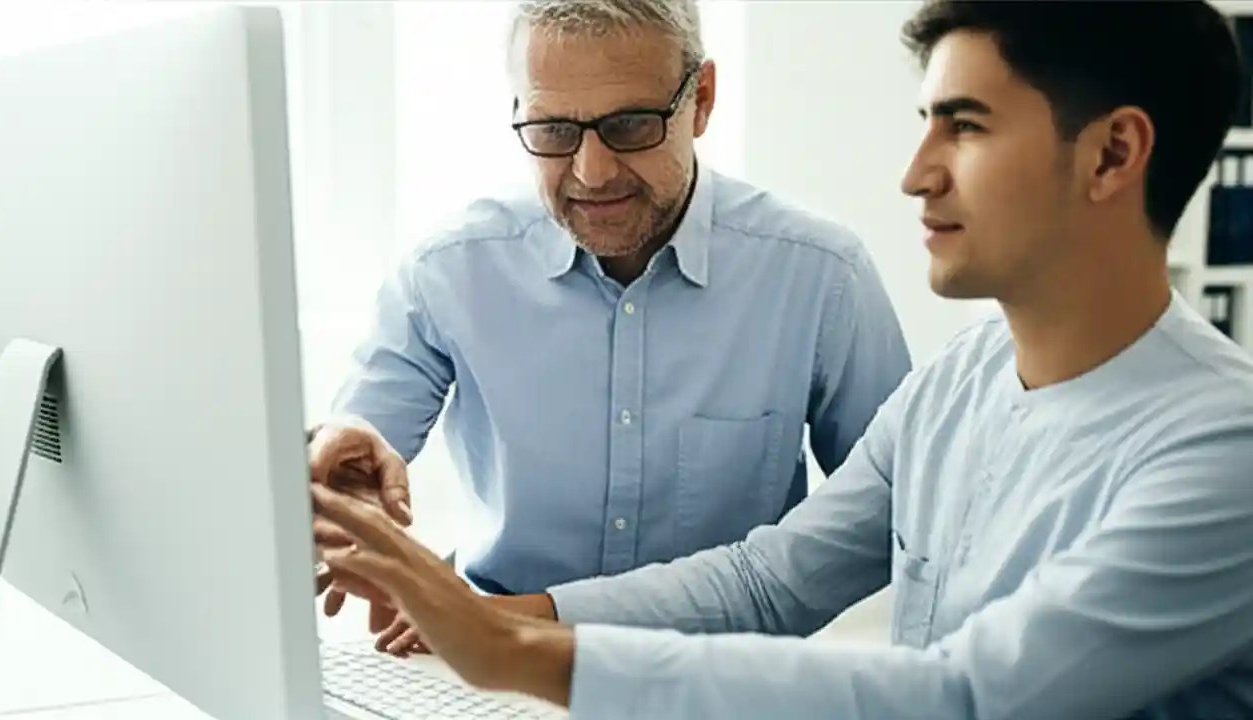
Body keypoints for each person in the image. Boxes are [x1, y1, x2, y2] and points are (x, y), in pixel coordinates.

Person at [309, 1, 1253, 717]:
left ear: (1112, 154)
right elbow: (772, 577)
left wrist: (513, 646)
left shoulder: (1224, 452)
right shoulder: (960, 383)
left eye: (963, 126)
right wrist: (516, 616)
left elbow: (966, 697)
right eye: (925, 124)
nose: (914, 173)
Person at [309, 0, 911, 649]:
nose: (592, 173)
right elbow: (357, 451)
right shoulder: (446, 272)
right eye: (554, 130)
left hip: (722, 680)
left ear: (701, 100)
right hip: (490, 667)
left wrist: (529, 618)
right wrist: (343, 502)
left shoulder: (822, 277)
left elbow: (888, 521)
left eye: (630, 125)